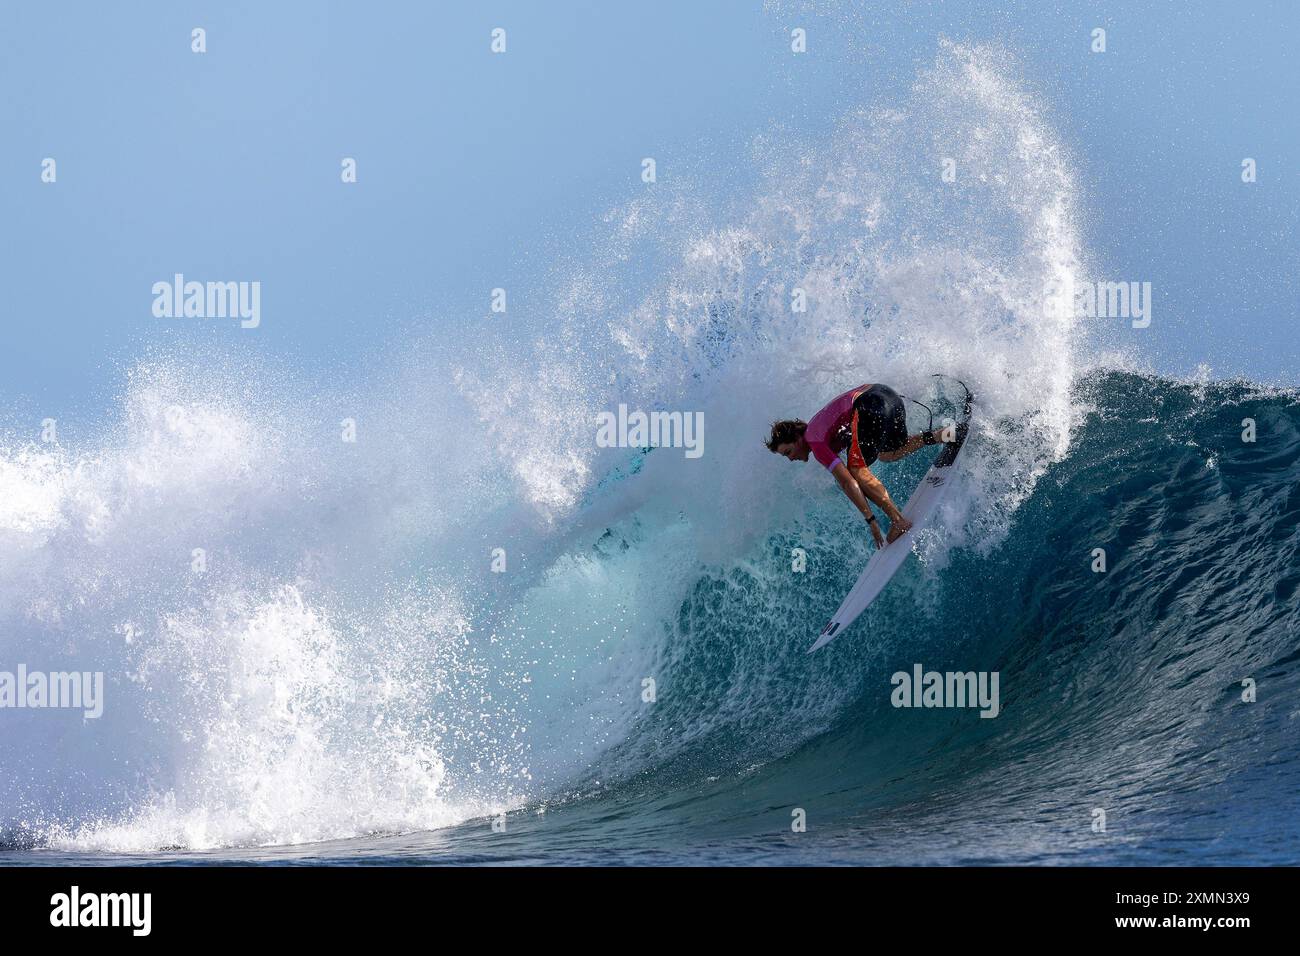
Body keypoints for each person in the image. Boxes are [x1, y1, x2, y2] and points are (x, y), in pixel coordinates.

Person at [765, 383, 946, 548]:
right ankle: (944, 435)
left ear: (797, 439)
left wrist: (871, 520)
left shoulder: (814, 440)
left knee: (855, 471)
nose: (790, 458)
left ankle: (898, 520)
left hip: (869, 406)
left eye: (788, 452)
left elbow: (847, 482)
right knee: (888, 454)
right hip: (889, 396)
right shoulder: (819, 428)